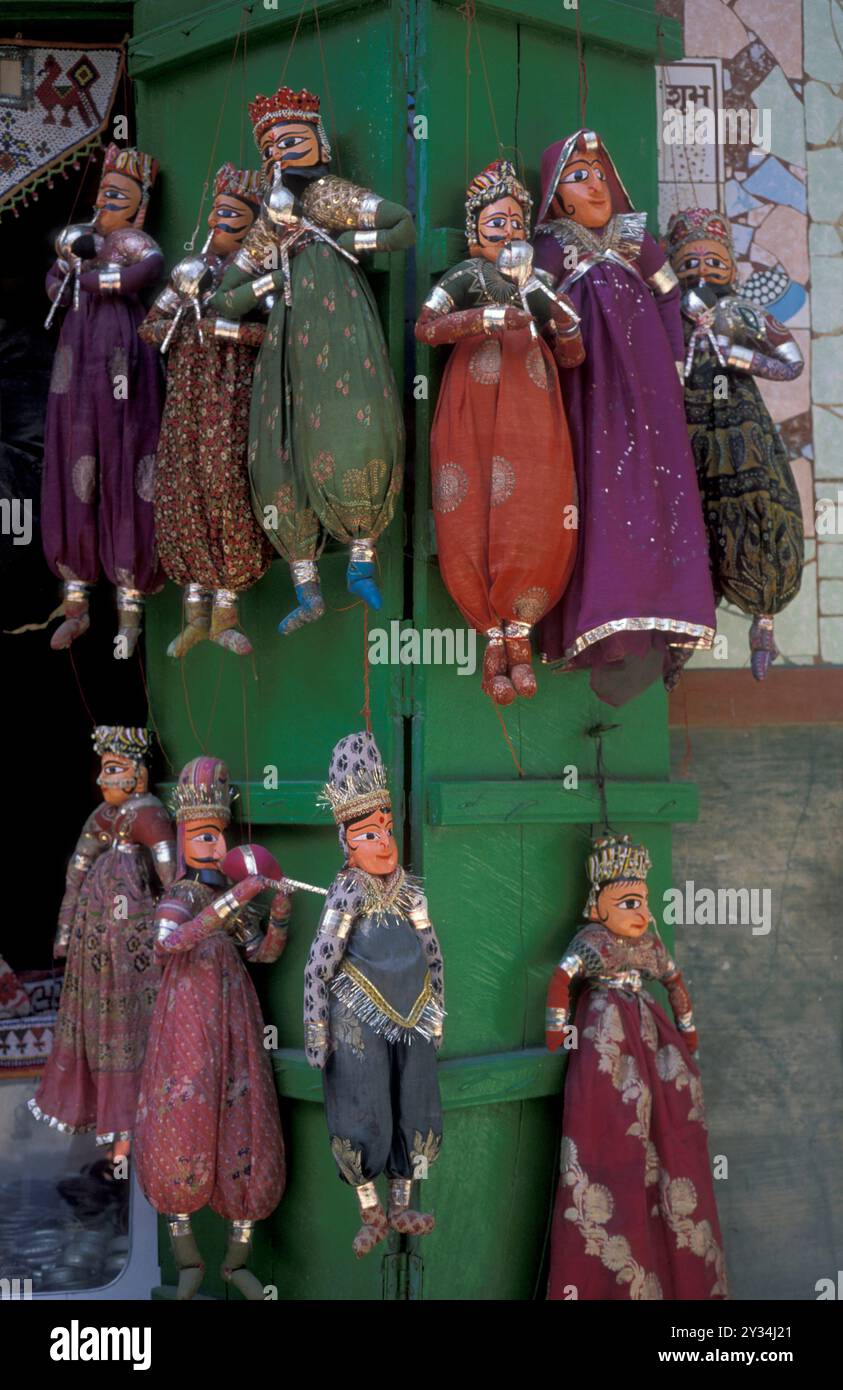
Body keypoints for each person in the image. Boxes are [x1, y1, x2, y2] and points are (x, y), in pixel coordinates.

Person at [211, 86, 414, 634]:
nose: (282, 154)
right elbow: (225, 296)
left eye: (293, 141)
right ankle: (305, 586)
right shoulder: (270, 225)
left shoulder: (329, 196)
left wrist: (347, 241)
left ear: (318, 143)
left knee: (351, 425)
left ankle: (361, 558)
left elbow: (403, 226)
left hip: (341, 323)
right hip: (287, 338)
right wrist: (273, 280)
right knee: (280, 450)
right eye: (273, 148)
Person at [533, 129, 716, 705]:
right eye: (578, 176)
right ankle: (609, 625)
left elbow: (668, 299)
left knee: (661, 494)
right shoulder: (553, 245)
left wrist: (676, 363)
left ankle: (665, 622)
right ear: (556, 198)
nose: (596, 186)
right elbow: (534, 302)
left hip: (651, 390)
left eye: (599, 171)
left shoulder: (637, 239)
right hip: (588, 388)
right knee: (601, 495)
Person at [415, 159, 581, 703]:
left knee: (535, 500)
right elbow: (426, 328)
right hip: (473, 396)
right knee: (470, 501)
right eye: (495, 226)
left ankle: (520, 637)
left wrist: (552, 308)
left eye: (516, 225)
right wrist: (483, 319)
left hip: (533, 401)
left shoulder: (540, 286)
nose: (507, 234)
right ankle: (491, 641)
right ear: (473, 233)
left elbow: (574, 352)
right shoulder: (466, 277)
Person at [544, 834, 727, 1300]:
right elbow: (563, 978)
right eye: (628, 902)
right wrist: (557, 1029)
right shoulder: (593, 944)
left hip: (650, 1037)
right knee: (609, 1134)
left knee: (667, 1139)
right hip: (607, 1034)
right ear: (598, 905)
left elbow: (673, 981)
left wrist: (687, 1033)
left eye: (643, 901)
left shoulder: (648, 944)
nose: (641, 912)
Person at [134, 756, 288, 1300]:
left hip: (234, 1021)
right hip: (187, 1023)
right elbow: (168, 943)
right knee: (186, 1111)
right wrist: (231, 899)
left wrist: (279, 913)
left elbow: (261, 954)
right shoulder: (180, 897)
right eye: (202, 836)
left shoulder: (229, 902)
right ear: (182, 838)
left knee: (241, 1113)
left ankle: (236, 1259)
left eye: (219, 836)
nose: (213, 847)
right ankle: (188, 1260)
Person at [304, 731, 444, 1256]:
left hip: (413, 1011)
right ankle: (369, 1210)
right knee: (362, 1101)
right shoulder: (346, 891)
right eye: (368, 834)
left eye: (387, 828)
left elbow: (432, 948)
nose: (384, 842)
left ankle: (405, 1200)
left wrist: (437, 1011)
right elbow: (318, 963)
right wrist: (317, 1031)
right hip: (357, 1012)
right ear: (346, 843)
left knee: (415, 1097)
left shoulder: (409, 887)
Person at [140, 164, 273, 657]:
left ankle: (227, 611)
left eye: (232, 216)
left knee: (226, 486)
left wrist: (230, 332)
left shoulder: (257, 276)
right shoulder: (189, 272)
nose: (220, 224)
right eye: (217, 213)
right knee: (181, 485)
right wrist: (181, 325)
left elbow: (277, 331)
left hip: (232, 397)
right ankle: (194, 613)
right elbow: (150, 329)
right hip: (188, 398)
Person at [666, 208, 804, 679]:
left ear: (732, 269)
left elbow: (790, 362)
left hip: (741, 430)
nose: (701, 271)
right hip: (685, 430)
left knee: (755, 514)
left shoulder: (738, 313)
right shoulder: (670, 318)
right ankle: (684, 634)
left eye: (713, 262)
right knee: (690, 521)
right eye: (689, 263)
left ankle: (763, 620)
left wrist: (739, 357)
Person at [29, 726, 175, 1168]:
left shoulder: (148, 815)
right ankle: (114, 1137)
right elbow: (77, 867)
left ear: (139, 776)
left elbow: (172, 877)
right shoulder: (101, 817)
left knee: (135, 1026)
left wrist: (177, 930)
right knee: (100, 1030)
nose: (101, 780)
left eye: (113, 771)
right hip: (94, 950)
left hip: (136, 949)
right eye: (103, 770)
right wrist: (66, 929)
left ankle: (136, 1133)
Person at [42, 144, 164, 655]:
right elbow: (53, 286)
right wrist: (69, 276)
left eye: (116, 198)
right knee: (76, 465)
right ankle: (76, 605)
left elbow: (146, 273)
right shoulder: (83, 244)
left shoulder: (134, 242)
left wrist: (88, 279)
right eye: (101, 196)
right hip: (78, 365)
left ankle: (129, 617)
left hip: (122, 361)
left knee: (126, 466)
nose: (103, 206)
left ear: (137, 207)